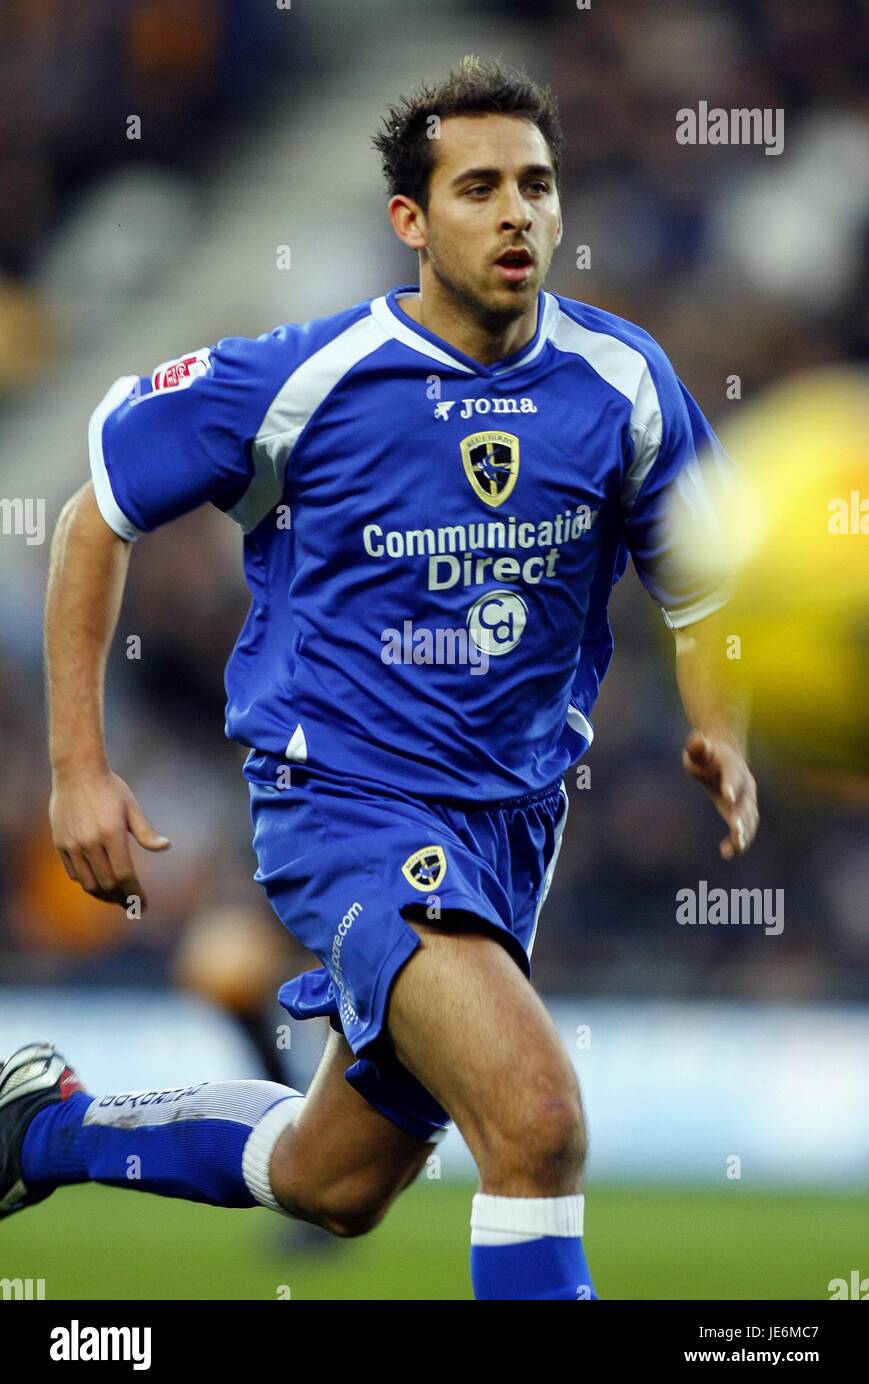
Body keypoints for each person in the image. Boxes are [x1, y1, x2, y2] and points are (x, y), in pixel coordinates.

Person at [1, 57, 757, 1301]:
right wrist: (79, 769)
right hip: (343, 805)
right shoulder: (306, 377)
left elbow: (704, 586)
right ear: (410, 220)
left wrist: (718, 729)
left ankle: (43, 1128)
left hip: (512, 827)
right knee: (535, 1116)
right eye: (477, 188)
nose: (516, 213)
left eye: (536, 185)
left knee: (331, 1182)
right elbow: (95, 516)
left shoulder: (624, 383)